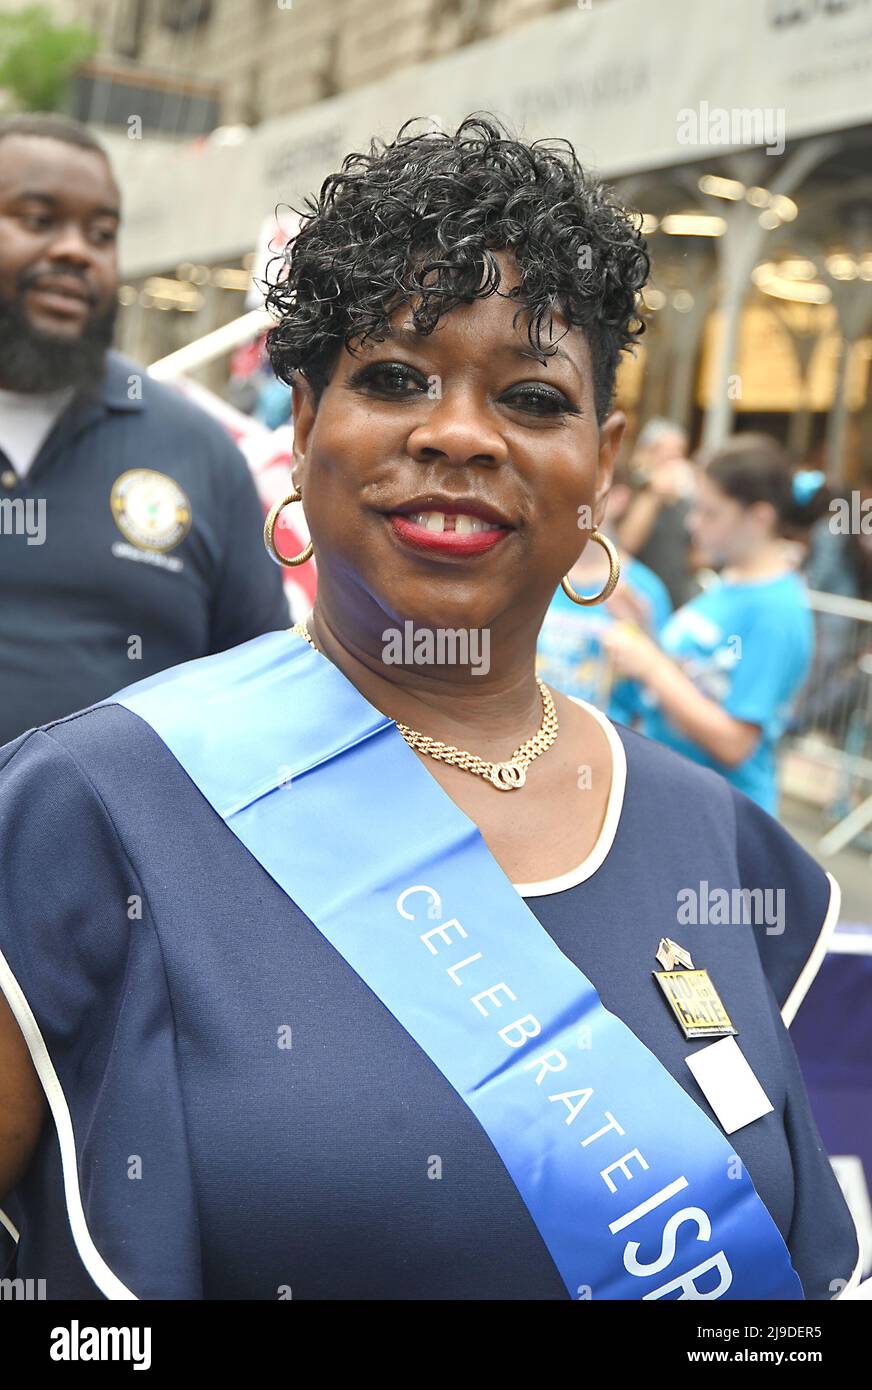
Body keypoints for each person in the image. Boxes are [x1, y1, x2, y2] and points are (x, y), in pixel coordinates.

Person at [0, 115, 859, 1302]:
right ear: (302, 427)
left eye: (530, 395)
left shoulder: (715, 839)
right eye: (394, 378)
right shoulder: (96, 805)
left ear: (599, 462)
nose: (456, 432)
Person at [0, 113, 290, 746]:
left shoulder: (198, 451)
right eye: (39, 220)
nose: (77, 250)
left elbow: (261, 693)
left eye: (101, 233)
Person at [604, 436, 815, 817]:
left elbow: (735, 742)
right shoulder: (731, 582)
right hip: (678, 800)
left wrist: (650, 665)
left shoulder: (777, 610)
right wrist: (643, 626)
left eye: (710, 512)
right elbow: (692, 676)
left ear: (760, 517)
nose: (693, 522)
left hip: (723, 816)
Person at [536, 458, 672, 723]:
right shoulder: (533, 572)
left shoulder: (644, 589)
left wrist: (645, 637)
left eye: (583, 488)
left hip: (606, 743)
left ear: (619, 499)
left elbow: (660, 697)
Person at [617, 417, 697, 608]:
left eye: (679, 453)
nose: (674, 460)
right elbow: (626, 544)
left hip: (675, 597)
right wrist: (654, 494)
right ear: (644, 453)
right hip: (634, 595)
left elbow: (698, 556)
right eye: (666, 453)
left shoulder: (684, 498)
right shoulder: (629, 489)